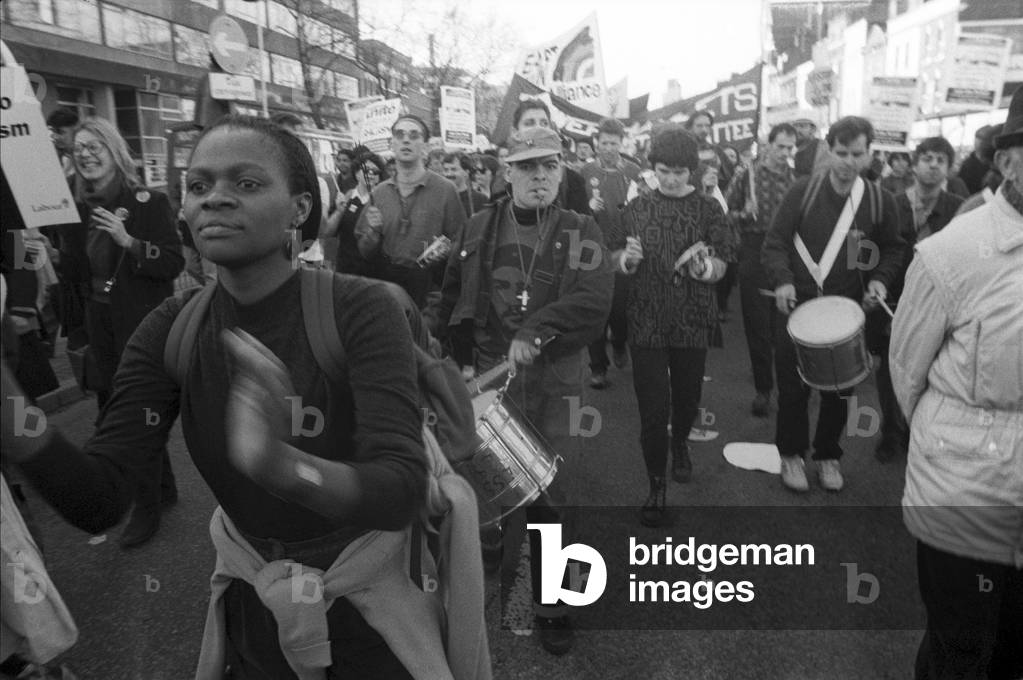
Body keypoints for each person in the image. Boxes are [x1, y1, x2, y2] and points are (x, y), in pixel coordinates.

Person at [2, 114, 478, 678]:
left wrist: (282, 466)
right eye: (199, 186)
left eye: (246, 184)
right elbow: (101, 500)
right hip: (254, 614)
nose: (215, 199)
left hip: (372, 620)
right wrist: (12, 413)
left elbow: (399, 489)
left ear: (300, 209)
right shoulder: (169, 328)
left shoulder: (362, 308)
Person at [425, 125, 613, 656]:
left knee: (552, 493)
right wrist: (458, 360)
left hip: (556, 382)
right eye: (528, 166)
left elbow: (595, 301)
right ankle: (509, 589)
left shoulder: (581, 228)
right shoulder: (480, 225)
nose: (540, 176)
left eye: (549, 166)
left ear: (562, 170)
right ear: (507, 173)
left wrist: (538, 329)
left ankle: (554, 605)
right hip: (492, 380)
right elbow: (453, 297)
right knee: (503, 491)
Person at [890, 86, 1023, 680]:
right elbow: (906, 372)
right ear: (1007, 162)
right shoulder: (950, 254)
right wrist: (961, 441)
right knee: (959, 651)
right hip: (964, 489)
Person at [58, 117, 184, 547]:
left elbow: (172, 262)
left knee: (134, 416)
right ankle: (163, 489)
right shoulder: (74, 210)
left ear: (115, 152)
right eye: (79, 149)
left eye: (95, 146)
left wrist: (129, 242)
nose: (87, 154)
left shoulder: (149, 202)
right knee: (121, 409)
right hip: (101, 327)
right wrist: (46, 253)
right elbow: (74, 276)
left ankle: (145, 507)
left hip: (141, 326)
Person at [762, 115, 905, 493]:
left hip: (845, 313)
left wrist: (879, 278)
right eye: (841, 152)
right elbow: (775, 241)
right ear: (829, 149)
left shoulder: (878, 200)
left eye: (857, 154)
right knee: (793, 390)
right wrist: (783, 280)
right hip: (796, 306)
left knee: (840, 392)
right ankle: (791, 454)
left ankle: (828, 455)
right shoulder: (803, 191)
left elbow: (893, 248)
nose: (847, 162)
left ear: (869, 153)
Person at [609, 127, 733, 526]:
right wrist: (626, 259)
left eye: (680, 171)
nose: (672, 179)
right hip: (645, 316)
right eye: (664, 170)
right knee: (651, 408)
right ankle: (656, 484)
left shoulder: (709, 209)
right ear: (653, 168)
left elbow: (723, 263)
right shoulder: (636, 209)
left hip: (692, 317)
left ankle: (680, 439)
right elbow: (615, 258)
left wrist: (705, 268)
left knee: (687, 397)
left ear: (692, 170)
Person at [873, 137, 964, 464]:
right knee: (889, 369)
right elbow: (871, 248)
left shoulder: (958, 206)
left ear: (949, 167)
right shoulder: (891, 203)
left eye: (941, 159)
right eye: (927, 157)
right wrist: (873, 281)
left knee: (928, 369)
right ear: (914, 164)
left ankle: (916, 431)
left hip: (936, 302)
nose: (933, 164)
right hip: (891, 299)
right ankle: (890, 432)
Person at [725, 123, 797, 417]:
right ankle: (763, 390)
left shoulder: (796, 181)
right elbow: (724, 213)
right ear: (767, 146)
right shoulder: (747, 175)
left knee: (784, 325)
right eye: (780, 146)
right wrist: (745, 212)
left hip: (786, 252)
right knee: (757, 326)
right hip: (754, 250)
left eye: (790, 148)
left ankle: (789, 386)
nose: (785, 153)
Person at [355, 114, 465, 308]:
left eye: (414, 135)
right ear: (392, 144)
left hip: (429, 294)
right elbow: (364, 252)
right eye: (400, 135)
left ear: (425, 146)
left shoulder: (446, 190)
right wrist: (373, 231)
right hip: (387, 290)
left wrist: (444, 251)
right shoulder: (379, 193)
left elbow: (462, 244)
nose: (406, 139)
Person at [580, 117, 642, 389]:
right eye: (604, 142)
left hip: (621, 249)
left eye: (613, 143)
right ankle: (597, 367)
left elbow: (643, 207)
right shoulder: (584, 171)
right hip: (591, 250)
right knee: (594, 311)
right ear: (596, 143)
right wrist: (587, 205)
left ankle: (619, 342)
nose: (608, 148)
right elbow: (572, 210)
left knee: (619, 310)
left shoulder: (634, 170)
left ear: (621, 143)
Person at [507, 99, 591, 216]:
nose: (539, 128)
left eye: (544, 123)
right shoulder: (500, 185)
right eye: (529, 123)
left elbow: (577, 231)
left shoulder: (573, 182)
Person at [322, 151, 387, 276]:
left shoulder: (383, 200)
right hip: (345, 268)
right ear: (357, 174)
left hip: (372, 271)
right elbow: (327, 232)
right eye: (366, 170)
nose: (371, 174)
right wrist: (339, 210)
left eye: (376, 171)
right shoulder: (347, 197)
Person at [685, 110, 733, 191]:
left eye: (707, 126)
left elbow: (729, 177)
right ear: (690, 127)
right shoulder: (681, 149)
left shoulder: (716, 150)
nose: (704, 130)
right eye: (699, 126)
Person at [442, 152, 488, 218]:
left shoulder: (480, 199)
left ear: (466, 172)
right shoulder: (439, 197)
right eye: (445, 170)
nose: (449, 174)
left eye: (454, 169)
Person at [954, 124, 997, 196]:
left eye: (983, 139)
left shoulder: (995, 163)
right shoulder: (967, 164)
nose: (978, 143)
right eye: (977, 138)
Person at [791, 111, 829, 179]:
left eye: (802, 126)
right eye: (795, 127)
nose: (798, 130)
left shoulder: (821, 146)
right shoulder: (794, 150)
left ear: (813, 130)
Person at [46, 107, 79, 183]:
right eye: (53, 131)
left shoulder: (84, 158)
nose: (55, 136)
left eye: (60, 132)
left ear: (75, 131)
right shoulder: (55, 156)